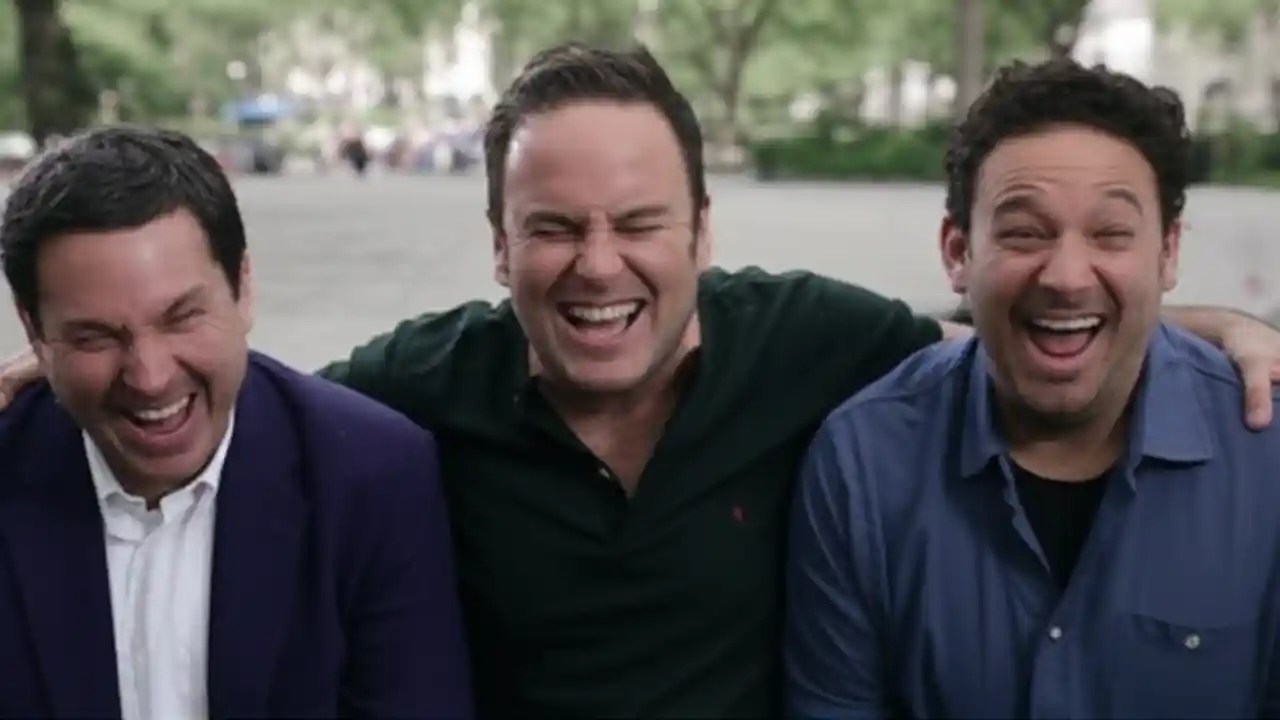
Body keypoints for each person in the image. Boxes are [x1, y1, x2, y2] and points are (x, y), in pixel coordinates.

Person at [0, 45, 1278, 717]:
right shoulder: (409, 398)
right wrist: (72, 365)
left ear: (702, 233)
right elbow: (227, 404)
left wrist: (1201, 328)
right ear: (498, 245)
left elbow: (1018, 323)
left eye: (638, 222)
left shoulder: (818, 345)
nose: (595, 266)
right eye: (551, 228)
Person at [784, 58, 1280, 719]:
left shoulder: (1265, 454)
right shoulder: (864, 463)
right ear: (958, 251)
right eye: (1024, 233)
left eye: (1110, 234)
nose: (1068, 275)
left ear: (1167, 253)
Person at [0, 126, 472, 718]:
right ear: (34, 333)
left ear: (243, 288)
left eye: (181, 318)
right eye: (95, 337)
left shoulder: (371, 479)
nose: (149, 377)